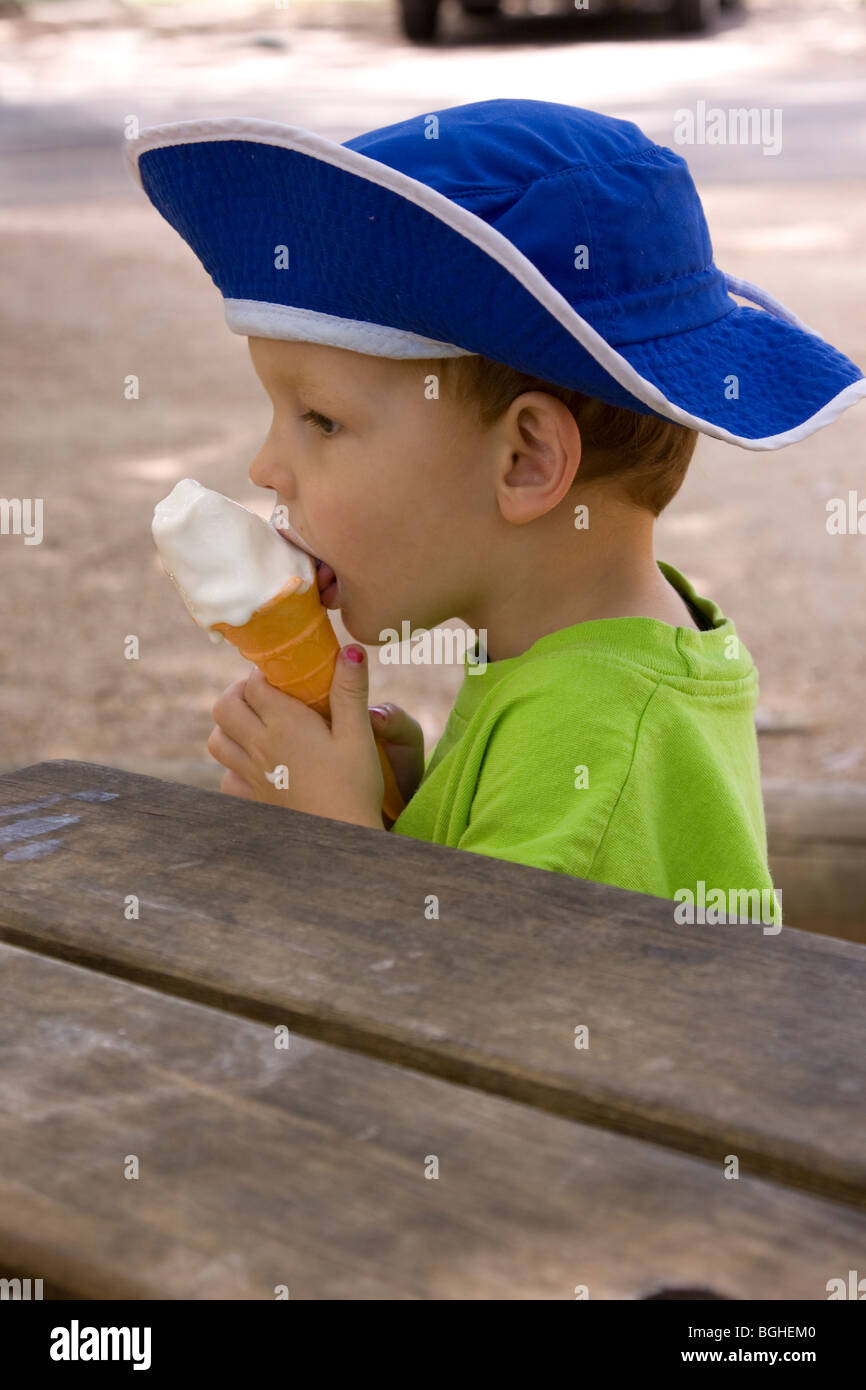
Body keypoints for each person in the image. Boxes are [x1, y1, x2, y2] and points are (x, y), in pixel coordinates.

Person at [126, 100, 865, 921]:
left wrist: (340, 842)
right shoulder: (581, 663)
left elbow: (471, 1023)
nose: (266, 468)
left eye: (322, 421)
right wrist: (411, 807)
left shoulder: (596, 733)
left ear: (525, 461)